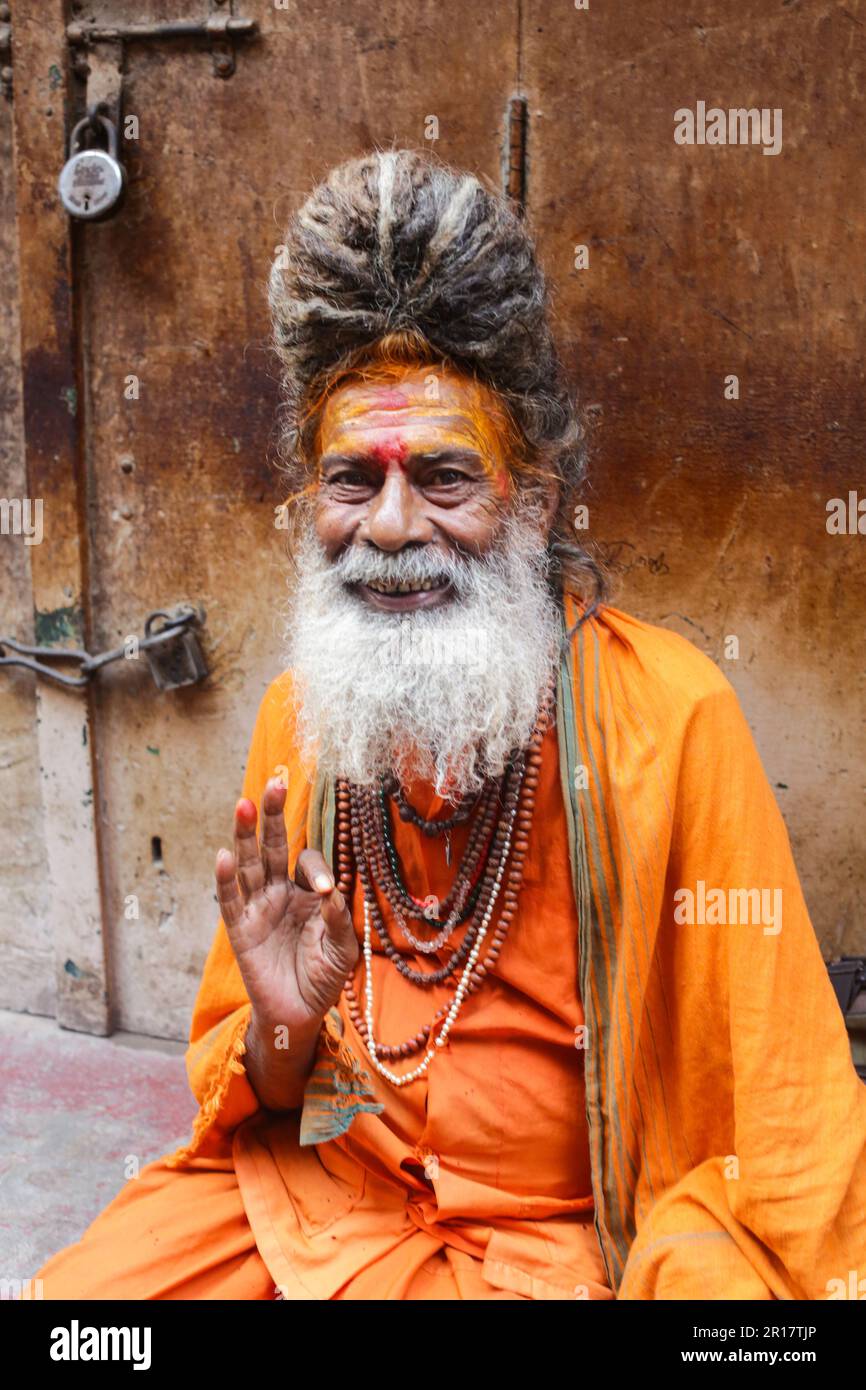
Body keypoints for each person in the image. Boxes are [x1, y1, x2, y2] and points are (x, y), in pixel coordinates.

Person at [38, 149, 866, 1300]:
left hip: (558, 1244)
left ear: (528, 501)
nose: (386, 527)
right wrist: (281, 1027)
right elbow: (261, 1090)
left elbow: (776, 1129)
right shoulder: (302, 712)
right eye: (349, 481)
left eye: (440, 477)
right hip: (320, 1204)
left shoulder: (668, 718)